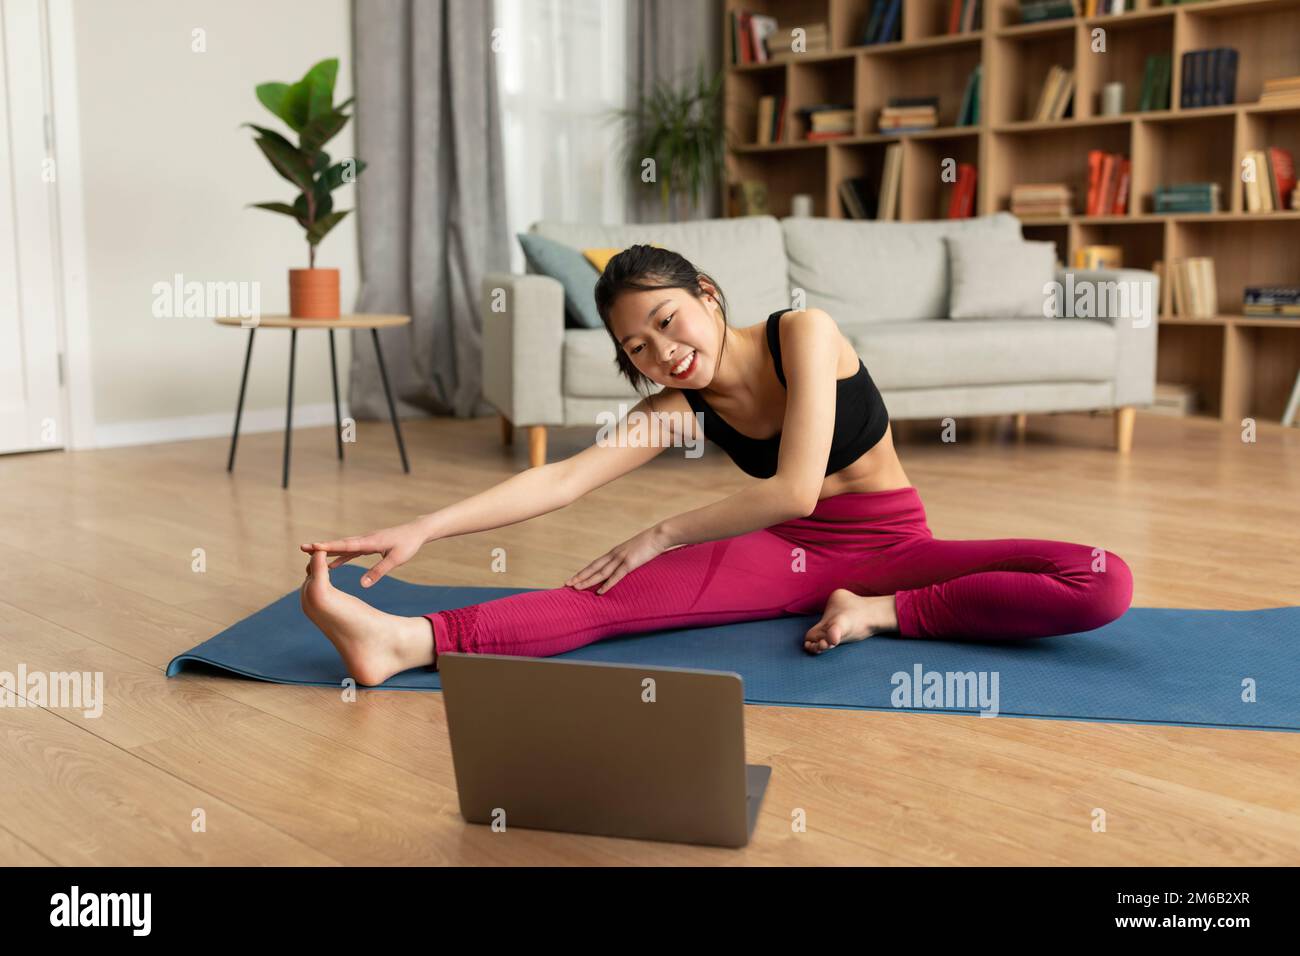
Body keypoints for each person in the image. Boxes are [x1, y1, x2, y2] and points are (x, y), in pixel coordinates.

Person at [300, 244, 1133, 685]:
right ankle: (405, 643)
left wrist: (661, 532)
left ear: (707, 294)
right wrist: (424, 527)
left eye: (669, 320)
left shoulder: (802, 332)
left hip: (890, 550)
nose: (666, 351)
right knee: (598, 601)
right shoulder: (676, 405)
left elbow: (795, 487)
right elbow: (560, 479)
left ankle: (877, 614)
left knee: (1103, 580)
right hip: (782, 550)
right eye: (639, 347)